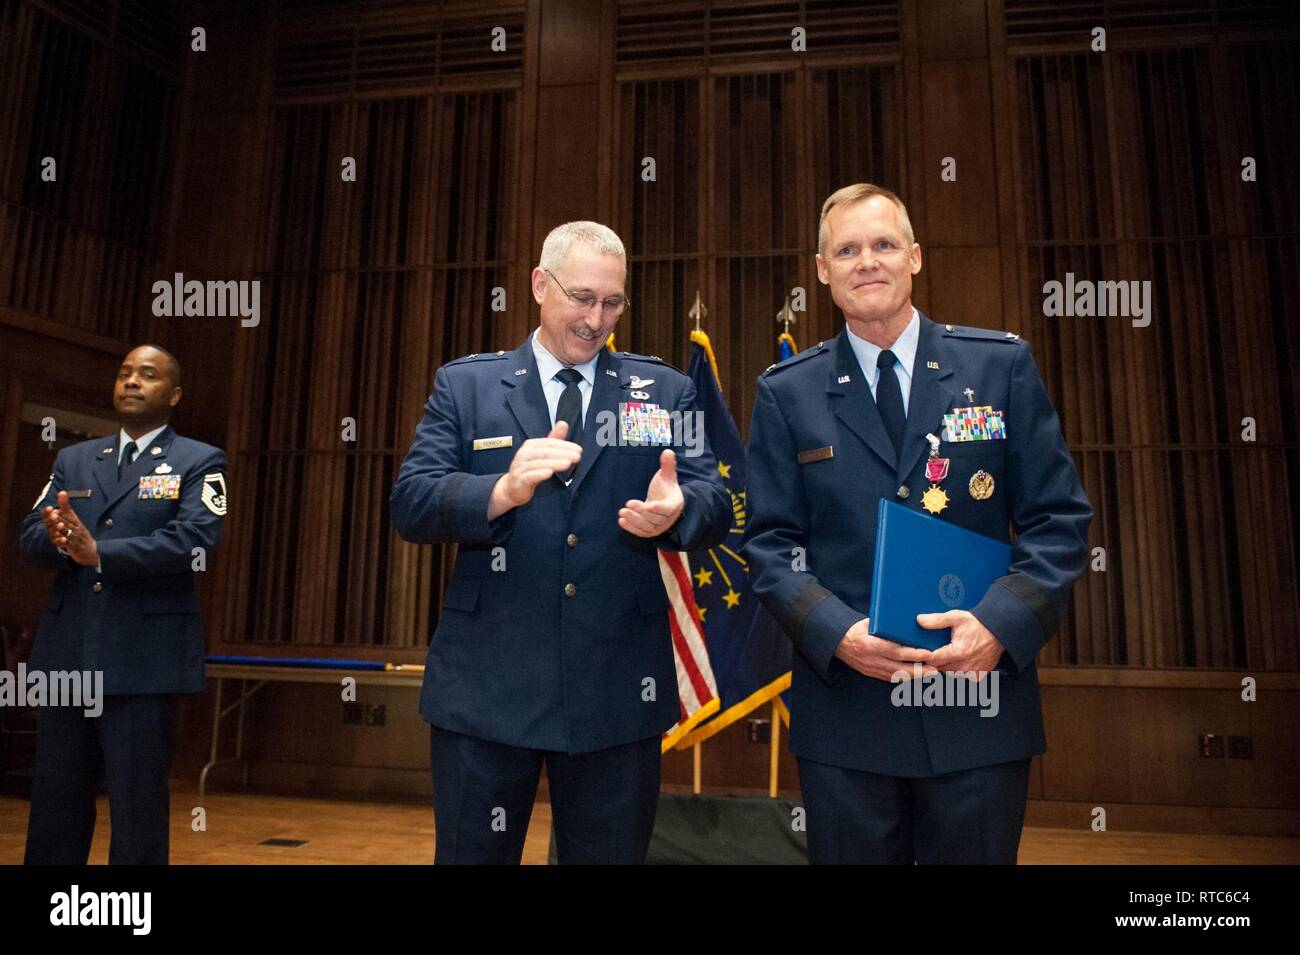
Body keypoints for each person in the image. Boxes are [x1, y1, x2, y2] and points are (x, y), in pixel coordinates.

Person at [743, 184, 1092, 864]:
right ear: (822, 270)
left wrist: (1000, 624)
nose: (865, 261)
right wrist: (835, 632)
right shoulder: (788, 393)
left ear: (916, 258)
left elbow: (1058, 521)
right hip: (848, 713)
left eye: (882, 245)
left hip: (978, 704)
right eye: (846, 249)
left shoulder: (999, 367)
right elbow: (770, 544)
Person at [391, 221, 731, 864]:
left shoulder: (664, 390)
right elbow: (411, 504)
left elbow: (715, 504)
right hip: (487, 690)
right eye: (581, 298)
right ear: (539, 286)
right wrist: (499, 492)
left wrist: (680, 509)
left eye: (612, 303)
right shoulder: (467, 386)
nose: (595, 319)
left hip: (616, 689)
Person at [20, 344, 227, 864]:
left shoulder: (199, 460)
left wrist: (100, 554)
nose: (132, 382)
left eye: (148, 375)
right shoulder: (75, 458)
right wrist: (60, 540)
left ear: (173, 394)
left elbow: (197, 539)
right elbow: (30, 535)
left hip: (143, 657)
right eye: (125, 373)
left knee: (136, 813)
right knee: (55, 807)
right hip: (70, 654)